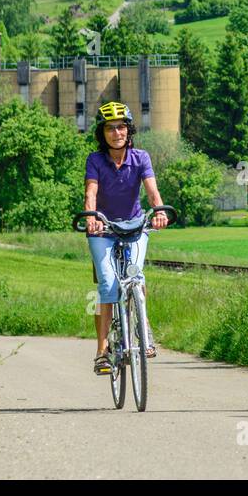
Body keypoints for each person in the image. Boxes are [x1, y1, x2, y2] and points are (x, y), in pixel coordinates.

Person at [84, 101, 169, 374]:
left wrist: (158, 212)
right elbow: (91, 194)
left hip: (135, 225)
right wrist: (91, 217)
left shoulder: (141, 157)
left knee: (136, 276)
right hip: (104, 228)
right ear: (102, 133)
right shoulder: (95, 160)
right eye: (110, 128)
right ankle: (101, 352)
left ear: (129, 130)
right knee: (108, 284)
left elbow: (153, 192)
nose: (116, 133)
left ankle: (143, 331)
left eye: (121, 127)